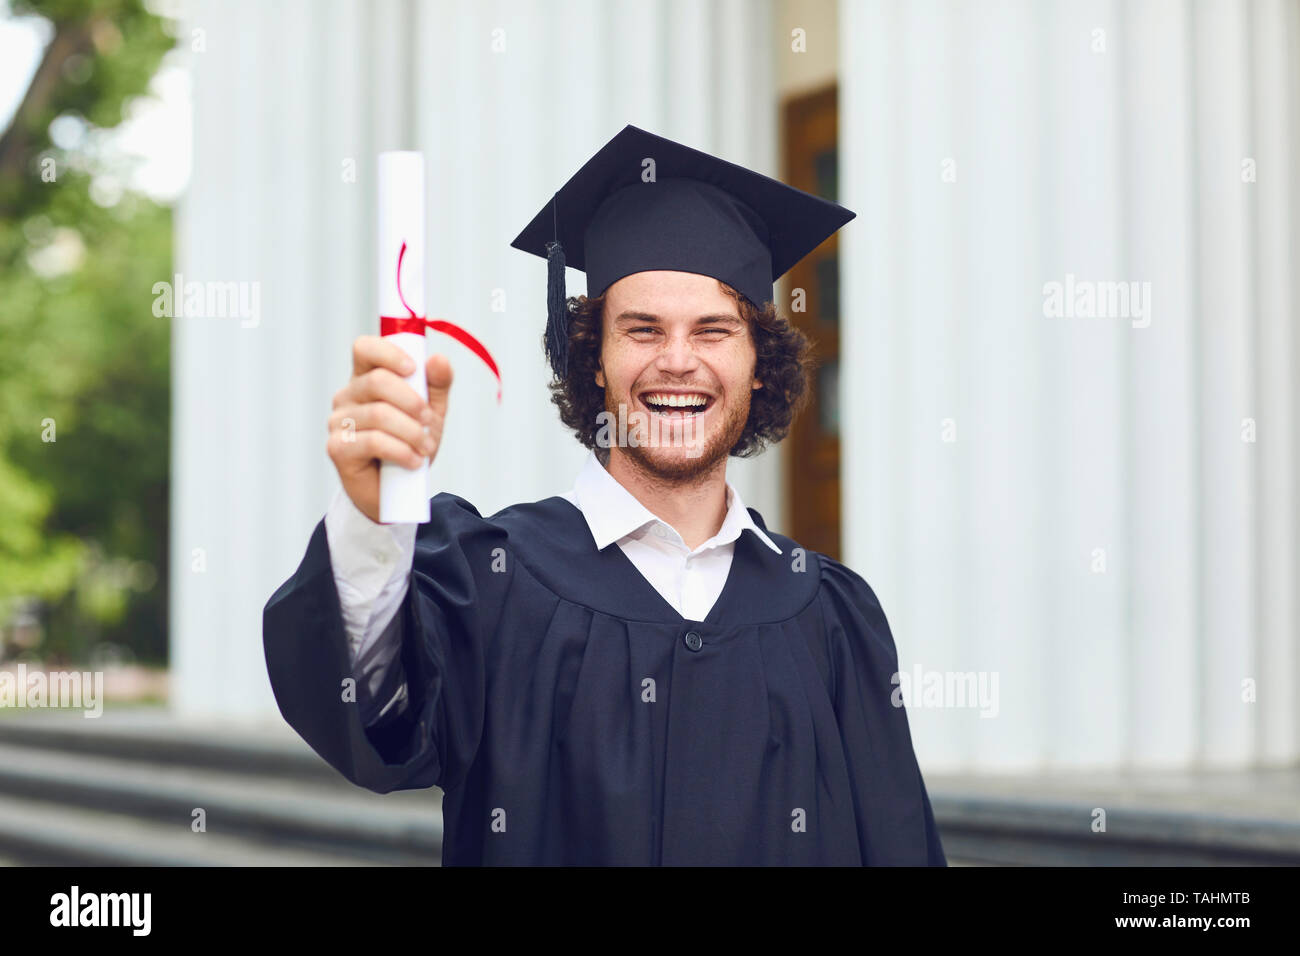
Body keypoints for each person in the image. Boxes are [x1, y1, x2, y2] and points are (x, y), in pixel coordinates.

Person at [263, 125, 947, 866]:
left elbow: (898, 841)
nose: (678, 361)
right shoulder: (491, 581)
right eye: (642, 329)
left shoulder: (831, 617)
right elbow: (373, 718)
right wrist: (375, 517)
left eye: (714, 331)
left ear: (758, 364)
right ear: (594, 359)